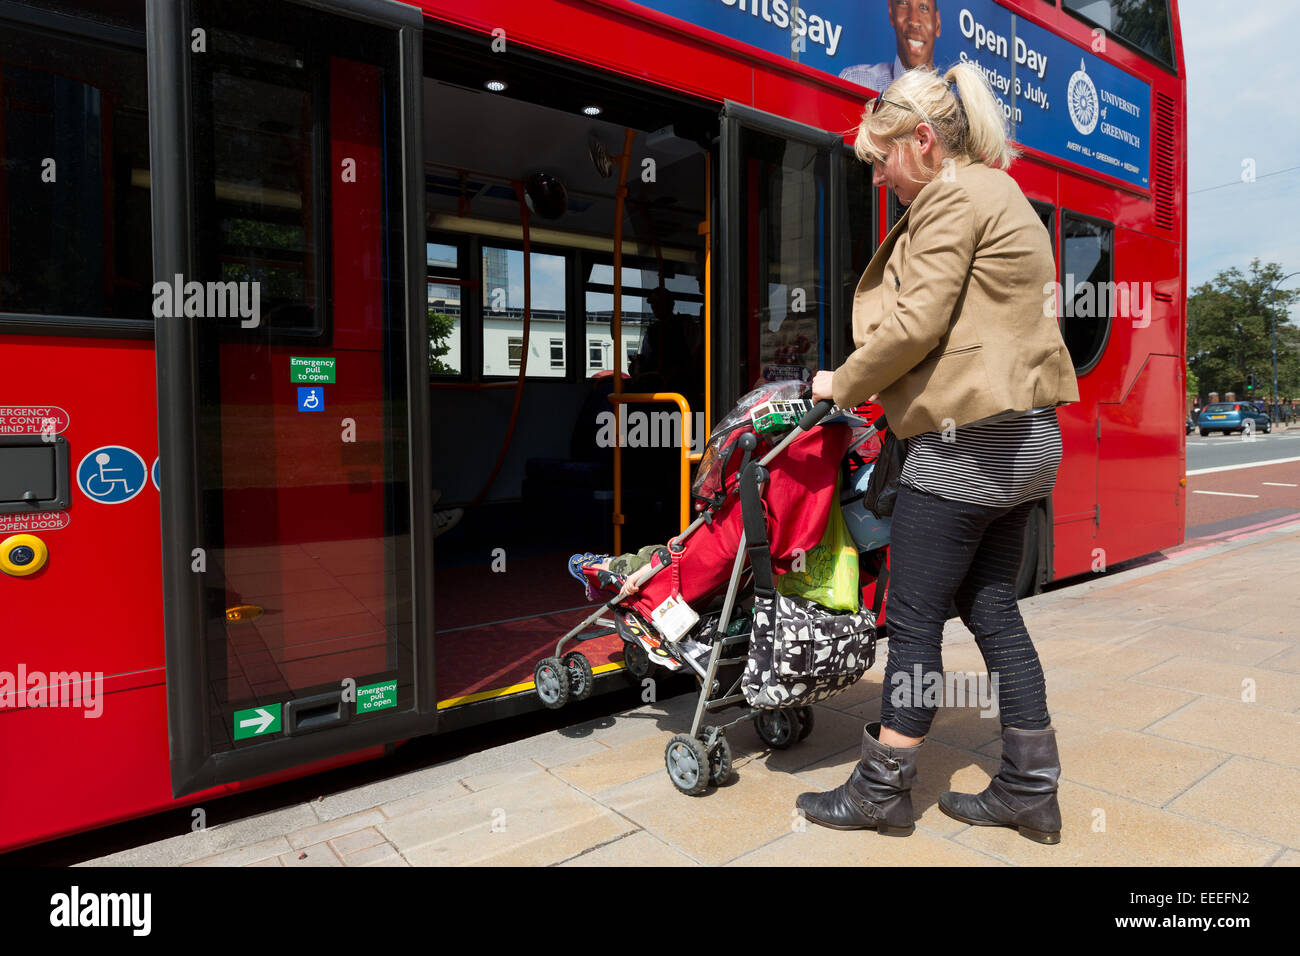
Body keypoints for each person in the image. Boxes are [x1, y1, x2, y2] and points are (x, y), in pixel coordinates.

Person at [798, 62, 1080, 844]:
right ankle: (1031, 786)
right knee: (991, 607)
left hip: (965, 446)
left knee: (915, 618)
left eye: (883, 157)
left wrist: (840, 383)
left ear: (923, 140)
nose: (881, 175)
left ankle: (882, 789)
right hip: (1027, 443)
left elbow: (916, 323)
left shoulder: (951, 198)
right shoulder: (1001, 193)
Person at [839, 0, 940, 92]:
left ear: (937, 24)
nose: (914, 22)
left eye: (924, 8)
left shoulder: (952, 107)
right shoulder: (856, 81)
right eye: (904, 3)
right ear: (891, 14)